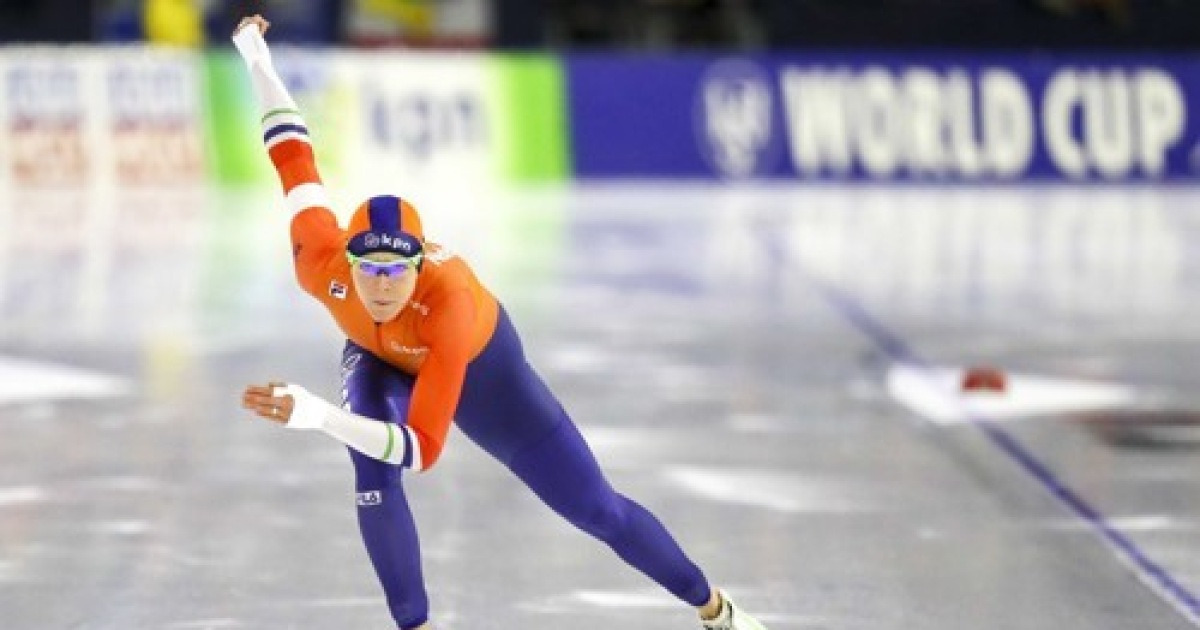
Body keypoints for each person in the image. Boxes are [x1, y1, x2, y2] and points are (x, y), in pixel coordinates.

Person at [233, 14, 770, 630]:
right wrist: (256, 59)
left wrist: (317, 416)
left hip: (483, 372)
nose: (382, 285)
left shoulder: (450, 304)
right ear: (345, 257)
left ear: (420, 259)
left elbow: (421, 450)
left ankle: (715, 609)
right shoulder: (317, 257)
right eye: (368, 268)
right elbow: (291, 150)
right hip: (379, 357)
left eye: (397, 268)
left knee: (596, 511)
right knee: (370, 471)